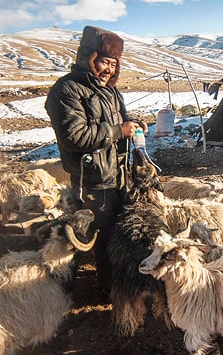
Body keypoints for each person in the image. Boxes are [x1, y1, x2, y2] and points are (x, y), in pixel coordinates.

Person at [45, 25, 145, 287]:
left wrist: (131, 124)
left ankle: (120, 279)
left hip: (117, 175)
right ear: (88, 57)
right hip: (92, 180)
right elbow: (74, 136)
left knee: (122, 232)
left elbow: (119, 122)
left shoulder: (110, 91)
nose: (109, 69)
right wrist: (117, 131)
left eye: (114, 63)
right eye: (104, 61)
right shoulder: (67, 90)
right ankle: (108, 289)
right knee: (102, 237)